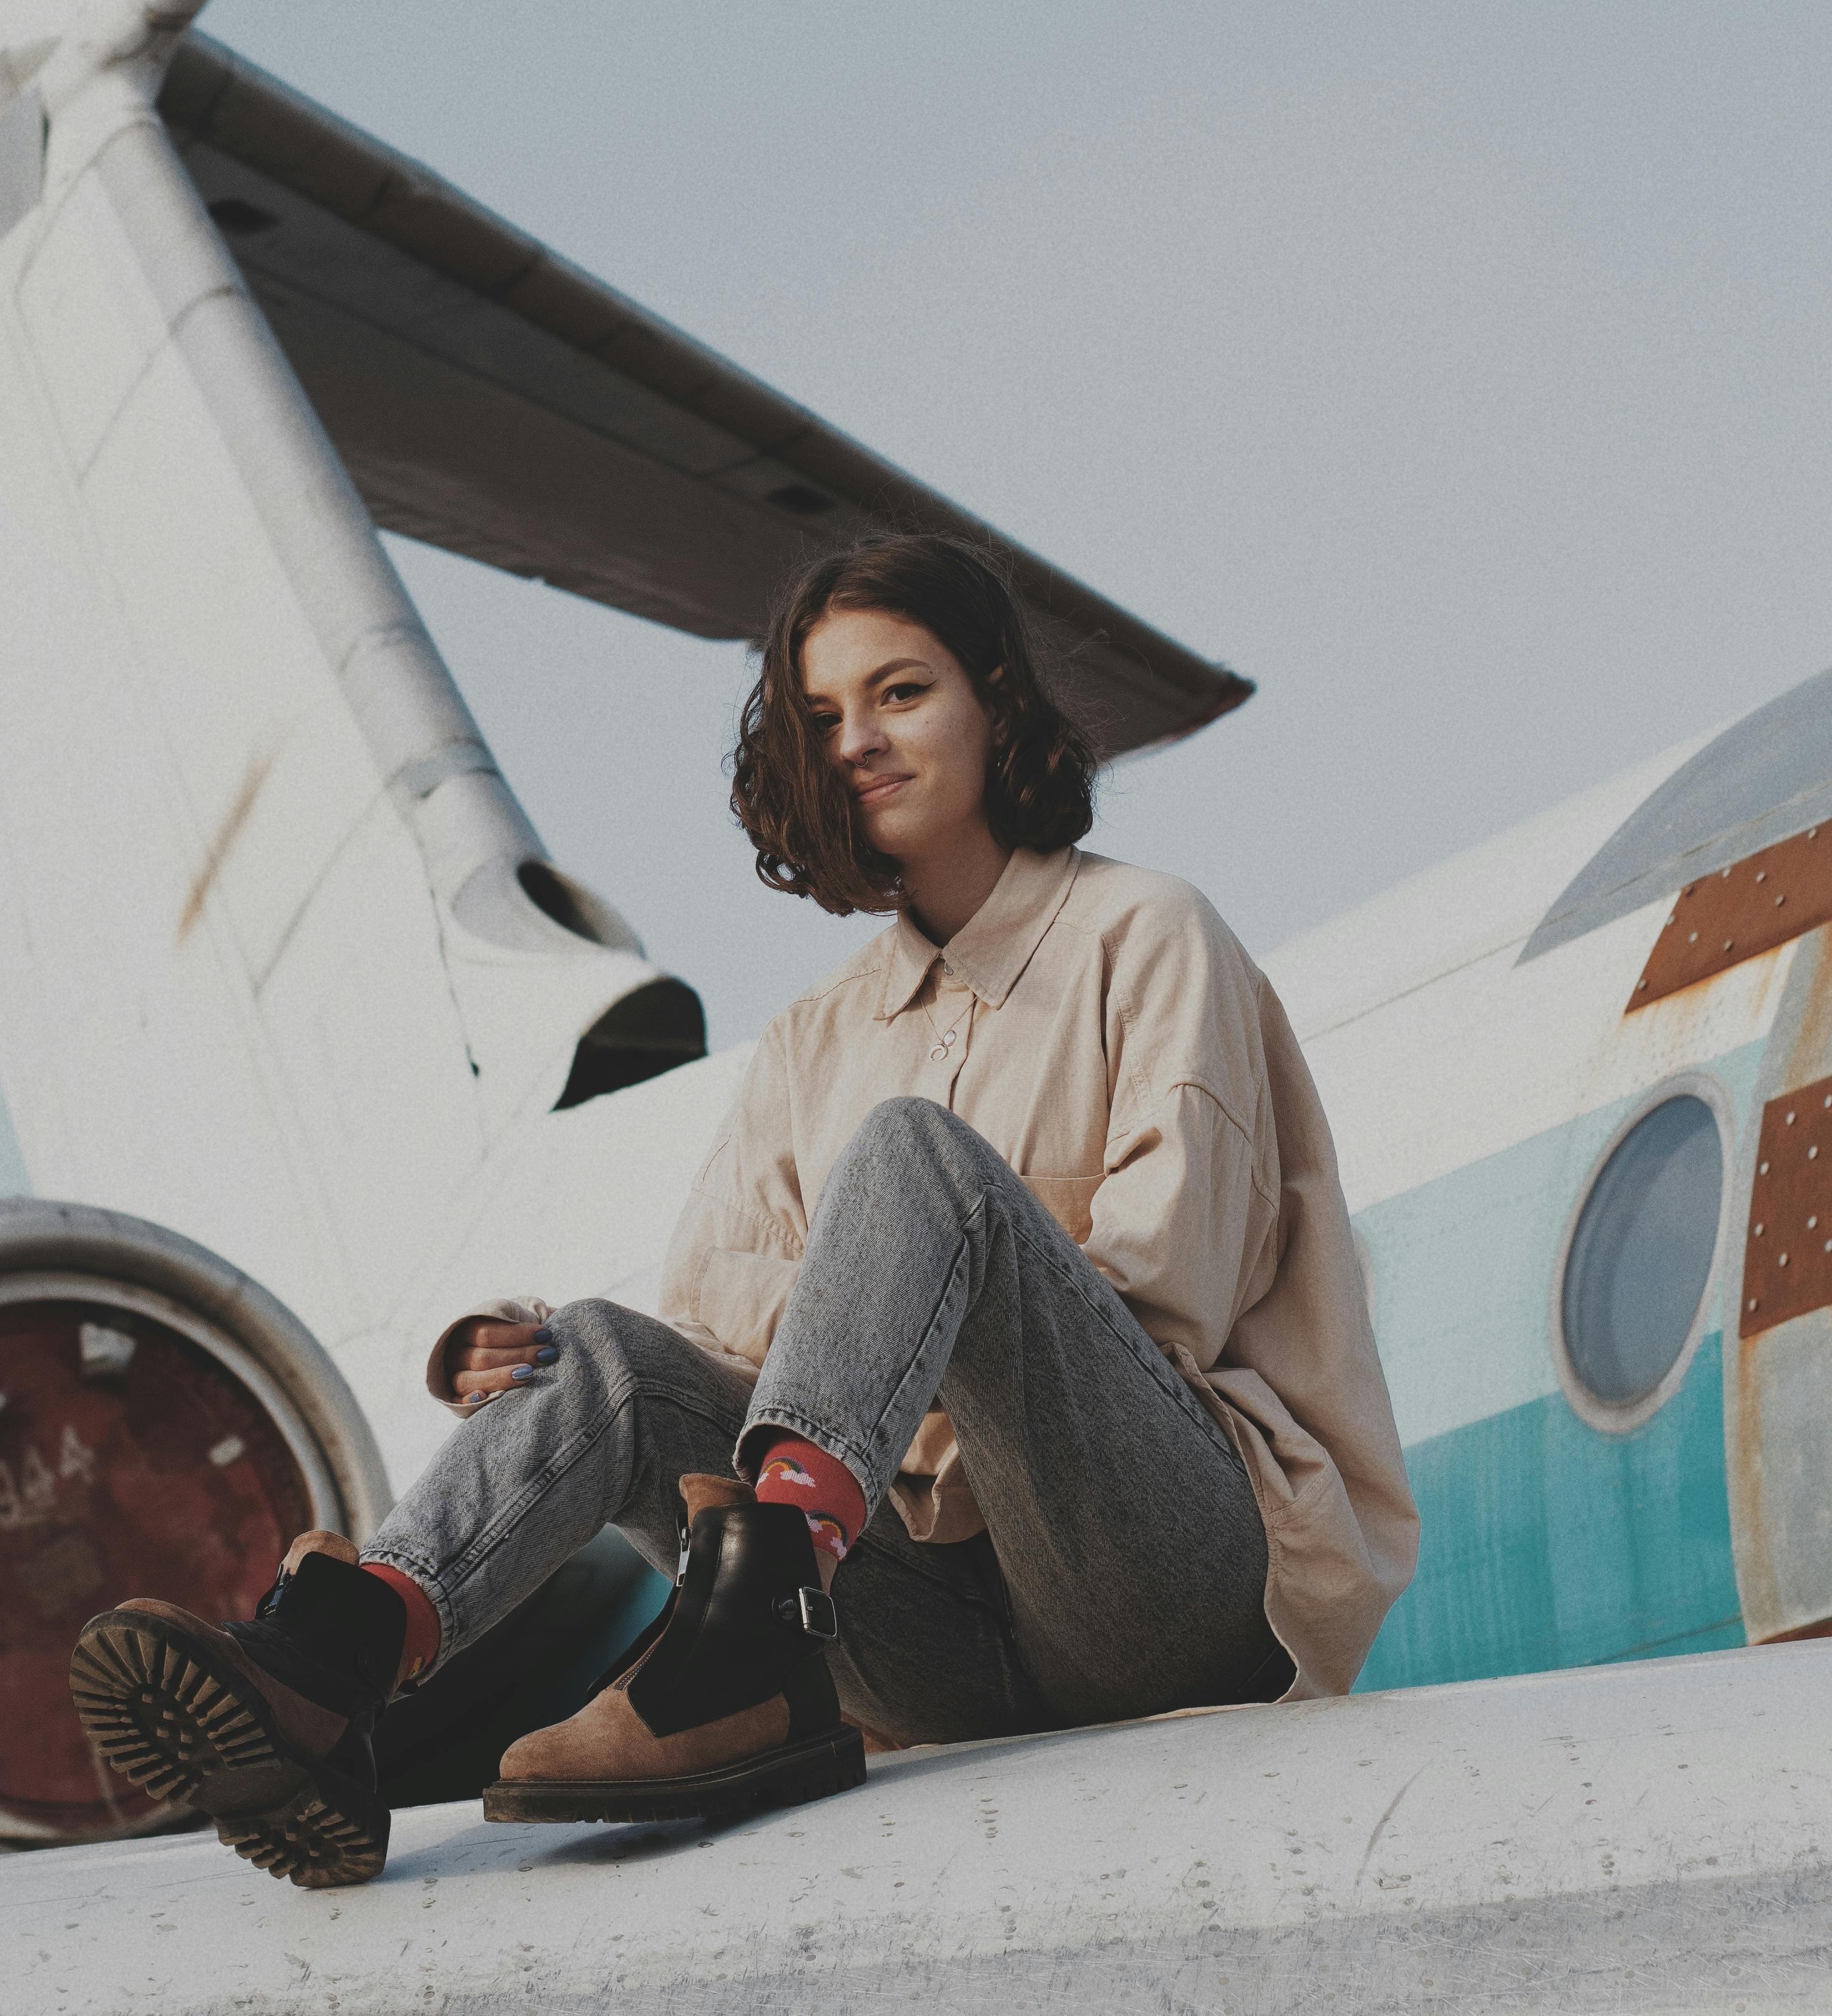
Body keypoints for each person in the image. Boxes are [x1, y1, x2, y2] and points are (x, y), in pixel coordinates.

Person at [71, 534, 1417, 1892]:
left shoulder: (1150, 932)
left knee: (911, 1162)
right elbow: (708, 1352)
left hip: (1158, 1576)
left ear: (995, 701)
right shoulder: (808, 1042)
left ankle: (753, 1617)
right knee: (600, 1349)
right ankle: (344, 1665)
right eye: (820, 717)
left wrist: (916, 1266)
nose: (857, 743)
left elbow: (1161, 1284)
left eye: (899, 693)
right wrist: (552, 1359)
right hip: (918, 1628)